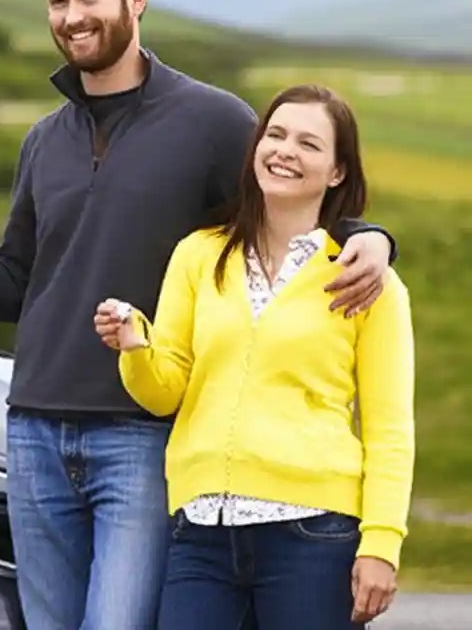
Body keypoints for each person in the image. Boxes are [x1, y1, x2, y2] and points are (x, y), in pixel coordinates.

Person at [0, 0, 399, 630]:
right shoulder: (44, 139)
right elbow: (16, 282)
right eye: (57, 0)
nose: (72, 16)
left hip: (141, 437)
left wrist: (370, 237)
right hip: (33, 429)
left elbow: (283, 200)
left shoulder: (214, 121)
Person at [93, 83, 414, 629]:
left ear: (337, 171)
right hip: (201, 529)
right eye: (276, 134)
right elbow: (163, 392)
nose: (286, 150)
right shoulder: (199, 254)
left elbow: (389, 430)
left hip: (313, 534)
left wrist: (381, 542)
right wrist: (135, 345)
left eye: (310, 144)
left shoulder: (366, 279)